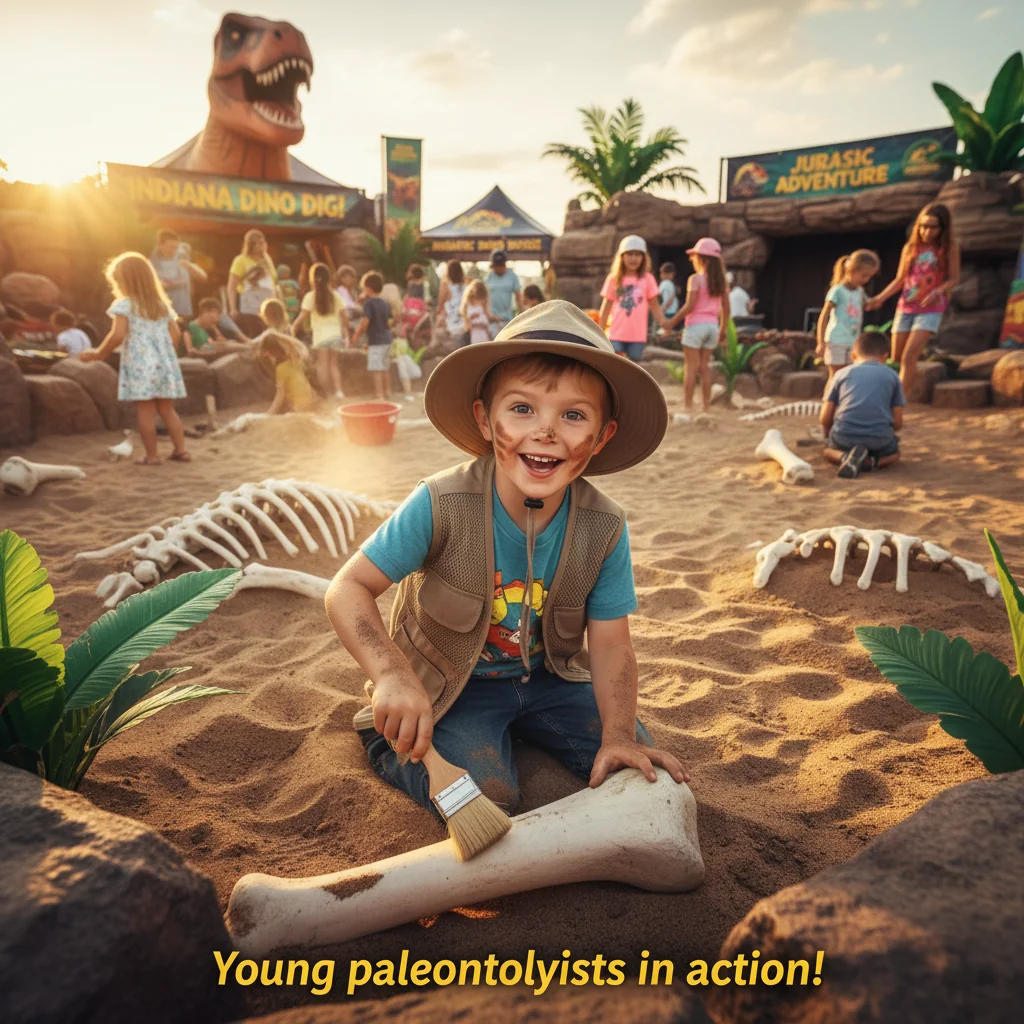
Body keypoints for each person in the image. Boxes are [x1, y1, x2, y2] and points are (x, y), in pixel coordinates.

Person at [323, 300, 688, 819]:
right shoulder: (441, 503)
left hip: (551, 680)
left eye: (574, 415)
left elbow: (610, 644)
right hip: (454, 688)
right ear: (485, 419)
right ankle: (394, 747)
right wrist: (391, 675)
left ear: (602, 435)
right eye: (522, 409)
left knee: (638, 776)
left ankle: (547, 734)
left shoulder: (604, 527)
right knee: (489, 799)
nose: (546, 431)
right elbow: (347, 588)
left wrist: (619, 734)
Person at [80, 252, 189, 465]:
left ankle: (152, 455)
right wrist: (164, 353)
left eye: (118, 281)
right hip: (164, 363)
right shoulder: (161, 305)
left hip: (140, 365)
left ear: (125, 281)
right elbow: (175, 334)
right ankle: (181, 451)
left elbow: (118, 335)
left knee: (145, 410)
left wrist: (98, 354)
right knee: (167, 409)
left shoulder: (125, 305)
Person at [866, 202, 960, 398]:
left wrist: (938, 291)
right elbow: (900, 279)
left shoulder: (949, 248)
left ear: (943, 228)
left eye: (933, 227)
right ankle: (894, 393)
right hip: (906, 306)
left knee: (910, 356)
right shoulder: (910, 248)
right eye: (923, 226)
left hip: (931, 308)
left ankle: (897, 402)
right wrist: (880, 298)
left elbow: (953, 278)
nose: (927, 231)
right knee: (896, 357)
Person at [820, 330, 905, 479]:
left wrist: (828, 435)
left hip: (845, 436)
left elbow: (825, 418)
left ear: (853, 355)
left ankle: (844, 457)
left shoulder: (841, 374)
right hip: (878, 439)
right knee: (895, 454)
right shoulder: (892, 376)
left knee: (827, 451)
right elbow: (897, 422)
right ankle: (872, 462)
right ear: (885, 356)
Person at [666, 238, 729, 412]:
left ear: (703, 259)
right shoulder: (722, 282)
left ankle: (687, 405)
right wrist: (723, 329)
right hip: (712, 328)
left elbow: (690, 306)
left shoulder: (695, 279)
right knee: (705, 367)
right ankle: (706, 406)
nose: (692, 260)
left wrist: (671, 322)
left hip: (695, 327)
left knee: (691, 367)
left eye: (695, 257)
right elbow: (726, 309)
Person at [599, 235, 670, 365]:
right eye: (630, 254)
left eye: (638, 254)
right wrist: (599, 330)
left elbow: (655, 306)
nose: (633, 258)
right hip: (615, 334)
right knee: (613, 368)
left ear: (643, 257)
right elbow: (606, 307)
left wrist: (664, 324)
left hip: (637, 336)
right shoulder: (614, 279)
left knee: (634, 370)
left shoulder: (648, 279)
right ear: (622, 256)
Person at [815, 249, 881, 382]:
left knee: (849, 374)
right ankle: (828, 402)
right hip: (836, 340)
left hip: (852, 341)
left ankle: (843, 402)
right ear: (851, 270)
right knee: (835, 376)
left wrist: (880, 299)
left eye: (870, 276)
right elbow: (824, 316)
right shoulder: (837, 291)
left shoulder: (860, 291)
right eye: (864, 275)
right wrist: (820, 342)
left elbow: (869, 304)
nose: (867, 280)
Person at [293, 262, 347, 400]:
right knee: (334, 364)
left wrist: (293, 329)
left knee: (322, 365)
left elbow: (300, 318)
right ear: (329, 278)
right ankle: (339, 392)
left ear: (312, 279)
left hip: (320, 336)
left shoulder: (310, 297)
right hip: (335, 335)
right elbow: (344, 317)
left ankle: (327, 393)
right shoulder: (336, 296)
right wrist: (345, 333)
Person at [351, 271, 393, 399]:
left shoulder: (369, 304)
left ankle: (379, 394)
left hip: (376, 340)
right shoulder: (384, 303)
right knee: (385, 367)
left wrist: (356, 335)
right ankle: (388, 392)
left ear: (368, 288)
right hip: (386, 338)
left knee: (376, 369)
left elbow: (365, 322)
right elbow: (390, 321)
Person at [257, 331, 317, 414]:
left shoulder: (281, 368)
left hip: (299, 406)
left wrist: (269, 414)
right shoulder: (294, 359)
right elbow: (299, 346)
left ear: (269, 353)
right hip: (309, 401)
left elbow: (280, 395)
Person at [149, 230, 205, 317]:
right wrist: (162, 285)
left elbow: (203, 278)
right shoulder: (152, 263)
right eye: (171, 247)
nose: (174, 250)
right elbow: (147, 286)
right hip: (162, 312)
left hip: (183, 311)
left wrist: (189, 266)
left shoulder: (182, 260)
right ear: (160, 245)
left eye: (176, 247)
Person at [228, 229, 278, 318]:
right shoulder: (240, 260)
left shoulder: (267, 259)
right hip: (250, 303)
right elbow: (232, 287)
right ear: (250, 245)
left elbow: (273, 282)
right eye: (258, 243)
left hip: (268, 303)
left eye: (263, 243)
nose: (261, 246)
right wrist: (233, 308)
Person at [485, 250, 522, 338]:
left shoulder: (512, 276)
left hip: (507, 320)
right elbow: (484, 299)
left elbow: (519, 298)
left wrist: (521, 316)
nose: (499, 268)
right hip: (492, 321)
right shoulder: (488, 277)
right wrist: (488, 314)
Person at [436, 260, 467, 345]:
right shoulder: (466, 285)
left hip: (451, 325)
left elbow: (440, 307)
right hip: (466, 325)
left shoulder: (446, 285)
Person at [460, 279, 497, 344]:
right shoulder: (468, 305)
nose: (480, 301)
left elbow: (488, 316)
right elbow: (467, 326)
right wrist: (476, 325)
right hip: (472, 335)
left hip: (483, 333)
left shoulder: (483, 305)